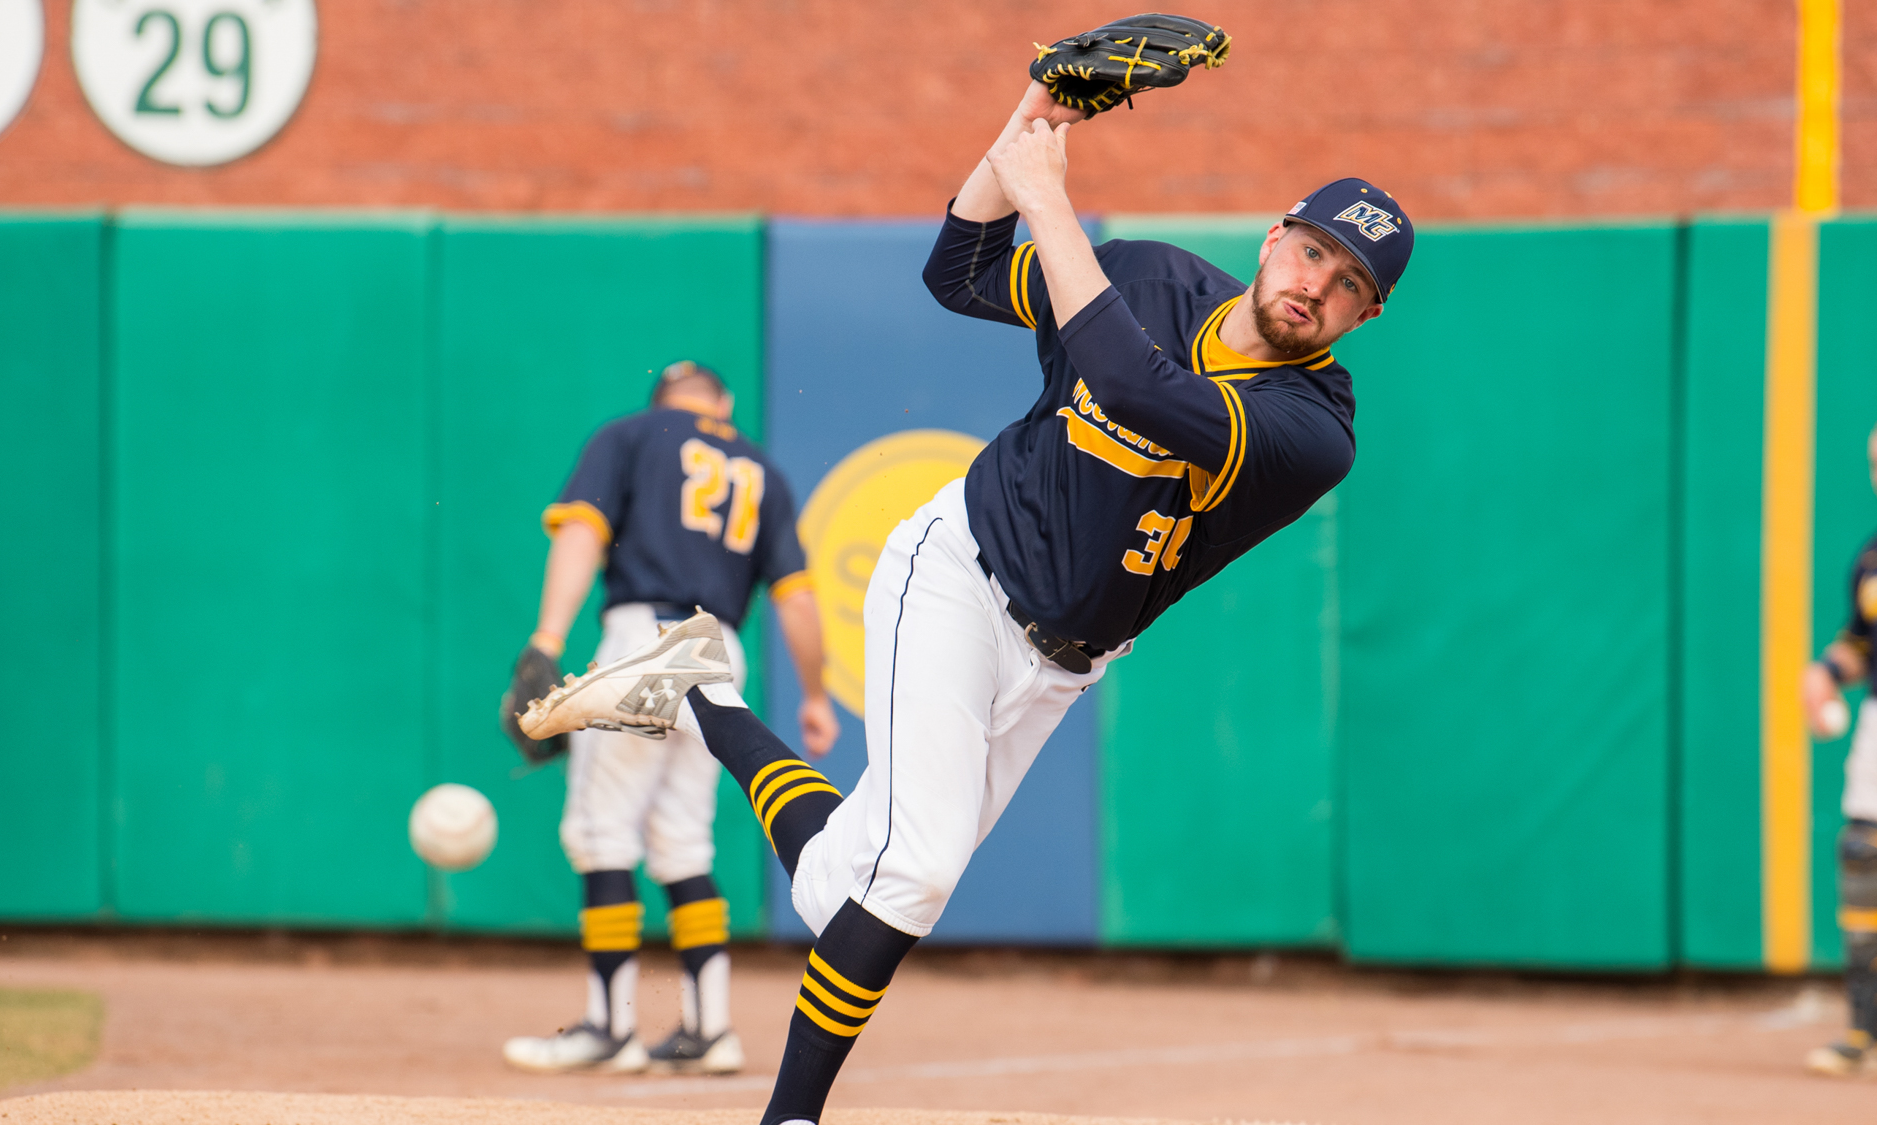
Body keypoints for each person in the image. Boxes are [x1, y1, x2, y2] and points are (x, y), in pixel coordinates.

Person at [520, 79, 1412, 1123]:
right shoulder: (1151, 276)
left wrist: (1043, 193)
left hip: (1065, 659)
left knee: (836, 886)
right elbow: (959, 268)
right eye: (1311, 250)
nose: (1317, 284)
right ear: (1273, 238)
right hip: (958, 571)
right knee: (915, 875)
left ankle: (699, 690)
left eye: (1348, 282)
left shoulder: (1315, 430)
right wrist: (1022, 124)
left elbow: (1135, 389)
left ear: (1365, 315)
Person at [501, 360, 838, 1076]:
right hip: (718, 653)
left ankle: (608, 1026)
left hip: (645, 643)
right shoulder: (761, 469)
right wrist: (815, 694)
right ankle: (710, 1027)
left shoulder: (631, 432)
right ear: (724, 404)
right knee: (684, 842)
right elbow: (799, 602)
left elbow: (583, 533)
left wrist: (547, 640)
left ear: (662, 400)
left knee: (602, 833)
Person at [1802, 421, 1877, 1078]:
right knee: (1862, 857)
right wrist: (1827, 669)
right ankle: (1862, 1027)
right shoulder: (1870, 557)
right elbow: (1859, 641)